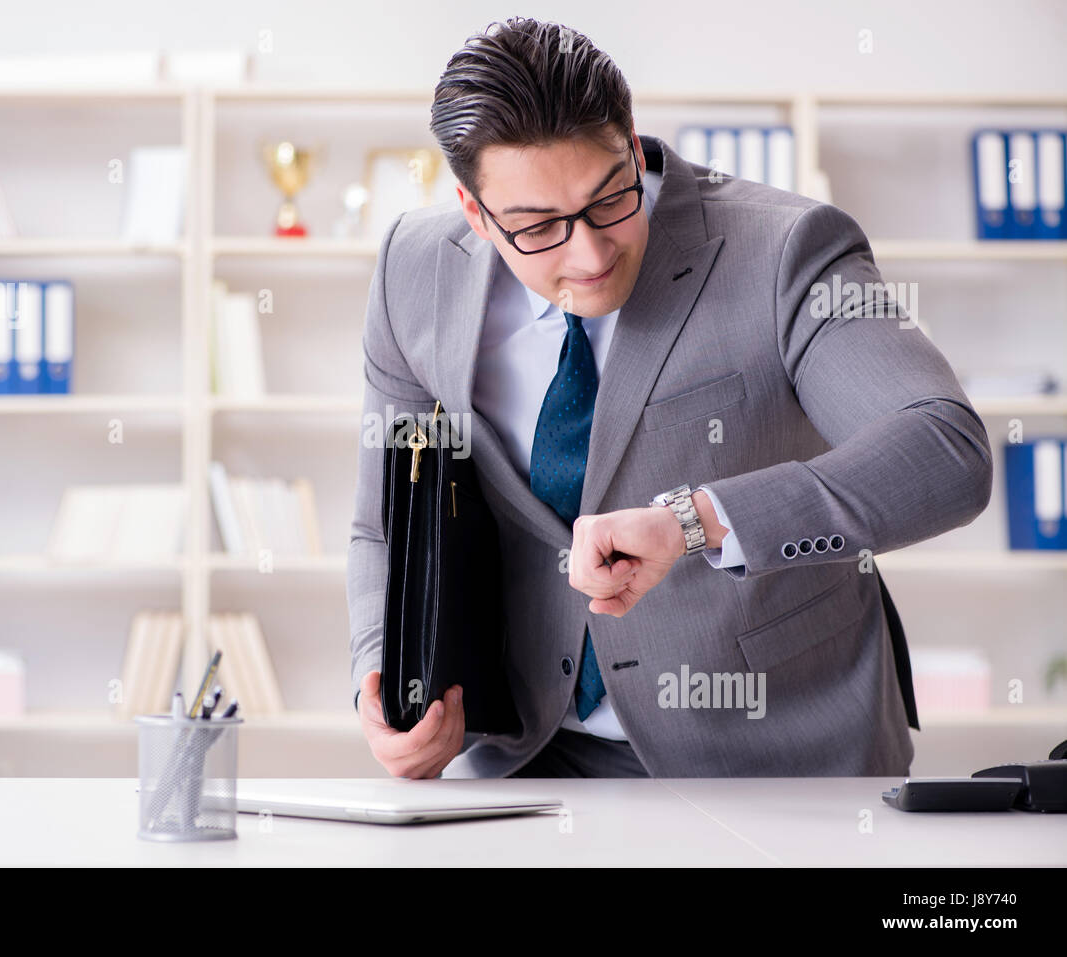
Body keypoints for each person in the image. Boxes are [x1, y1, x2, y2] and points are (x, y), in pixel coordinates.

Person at [346, 17, 992, 778]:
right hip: (518, 756)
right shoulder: (410, 272)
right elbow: (385, 521)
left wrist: (701, 520)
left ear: (630, 140)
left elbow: (946, 449)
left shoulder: (787, 251)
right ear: (474, 211)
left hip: (771, 756)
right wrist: (379, 675)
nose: (589, 254)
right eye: (538, 228)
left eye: (609, 199)